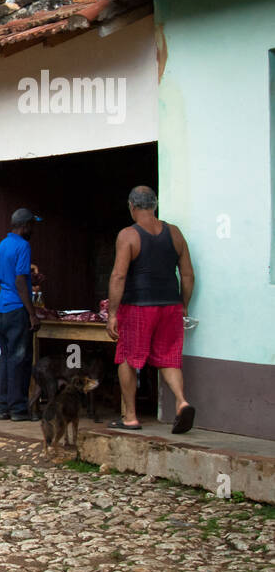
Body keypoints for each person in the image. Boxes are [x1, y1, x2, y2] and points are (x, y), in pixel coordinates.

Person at [107, 185, 195, 433]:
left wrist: (113, 313)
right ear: (155, 205)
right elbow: (187, 275)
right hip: (170, 305)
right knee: (169, 358)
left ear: (131, 207)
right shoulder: (175, 233)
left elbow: (118, 277)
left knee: (126, 356)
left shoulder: (128, 235)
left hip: (138, 307)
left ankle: (131, 417)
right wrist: (184, 304)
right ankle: (182, 401)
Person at [0, 208, 41, 421]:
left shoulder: (2, 245)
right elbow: (19, 281)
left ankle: (3, 408)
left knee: (7, 359)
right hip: (18, 309)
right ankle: (19, 409)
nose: (32, 230)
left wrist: (15, 282)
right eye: (32, 226)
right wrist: (32, 314)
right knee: (20, 360)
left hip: (2, 309)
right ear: (25, 226)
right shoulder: (23, 245)